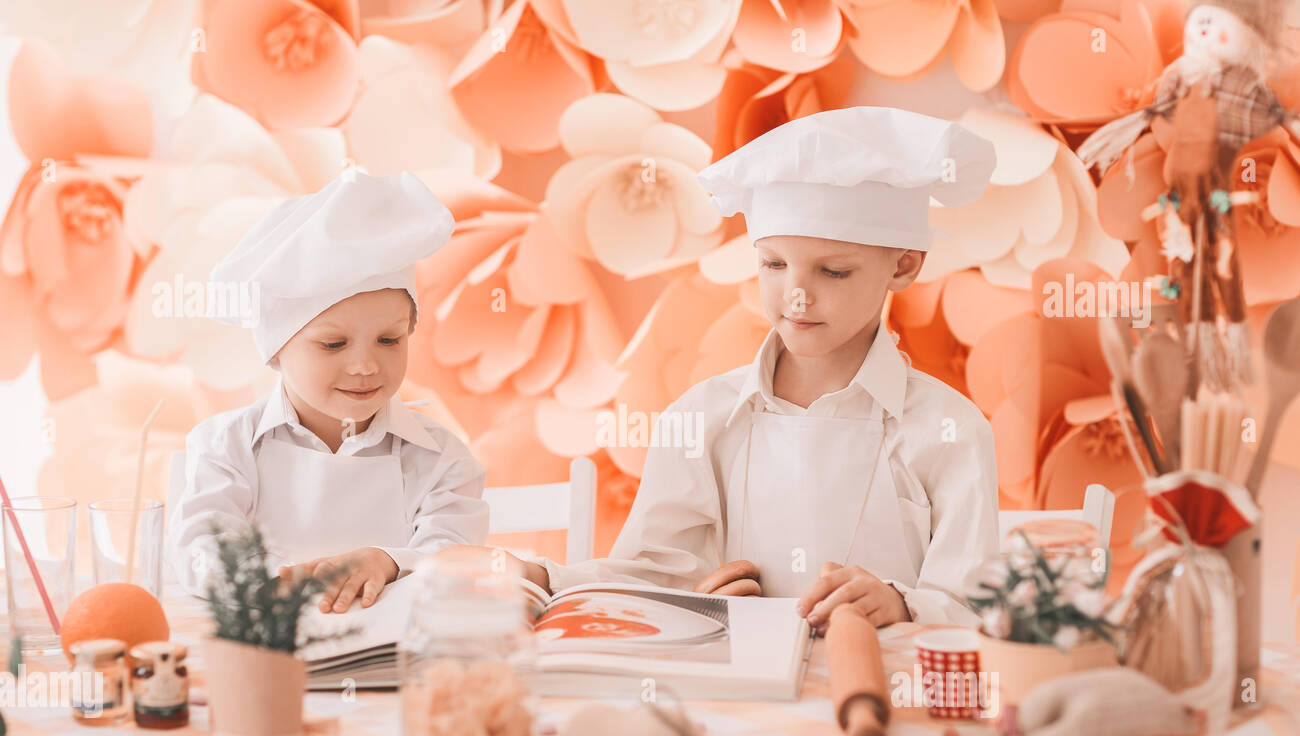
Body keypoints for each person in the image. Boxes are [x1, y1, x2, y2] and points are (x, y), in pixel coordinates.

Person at [512, 107, 1001, 629]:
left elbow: (978, 610)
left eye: (833, 271)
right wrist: (695, 603)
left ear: (903, 265)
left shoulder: (951, 432)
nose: (797, 294)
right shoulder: (701, 416)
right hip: (744, 695)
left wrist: (901, 605)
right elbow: (651, 574)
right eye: (773, 263)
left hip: (892, 691)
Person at [166, 170, 489, 612]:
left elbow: (457, 554)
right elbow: (201, 546)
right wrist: (273, 579)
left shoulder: (443, 460)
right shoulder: (227, 447)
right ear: (277, 349)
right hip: (264, 659)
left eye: (390, 340)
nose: (366, 365)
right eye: (333, 344)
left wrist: (389, 562)